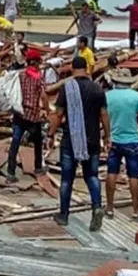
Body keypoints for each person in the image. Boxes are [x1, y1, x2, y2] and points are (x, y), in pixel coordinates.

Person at [47, 56, 108, 231]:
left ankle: (64, 215)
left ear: (73, 69)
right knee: (92, 176)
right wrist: (108, 136)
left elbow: (58, 115)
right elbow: (104, 114)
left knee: (67, 180)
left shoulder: (68, 89)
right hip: (93, 140)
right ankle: (97, 206)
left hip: (71, 140)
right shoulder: (97, 89)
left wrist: (50, 134)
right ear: (86, 68)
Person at [103, 68, 138, 221]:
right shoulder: (136, 96)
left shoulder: (108, 96)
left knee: (111, 173)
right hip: (133, 140)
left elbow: (103, 117)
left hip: (114, 140)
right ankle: (136, 211)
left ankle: (109, 208)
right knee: (134, 176)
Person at [7, 48, 49, 181]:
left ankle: (11, 173)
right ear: (36, 62)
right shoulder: (38, 77)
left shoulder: (21, 75)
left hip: (20, 114)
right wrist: (47, 111)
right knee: (38, 142)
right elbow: (43, 96)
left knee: (15, 142)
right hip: (33, 115)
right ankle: (37, 167)